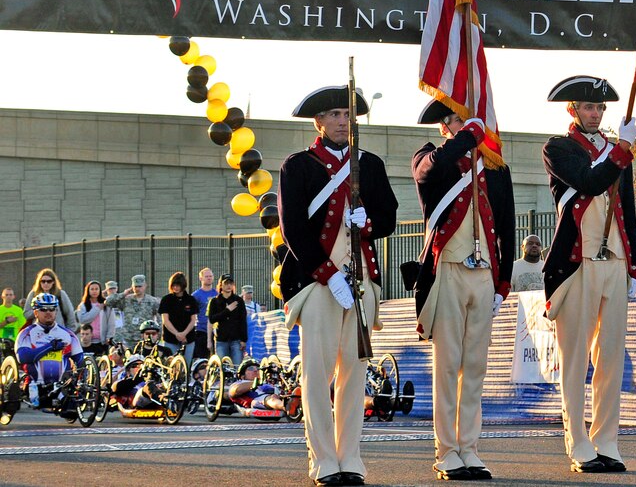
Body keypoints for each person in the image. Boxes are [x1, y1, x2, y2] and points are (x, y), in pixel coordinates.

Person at [277, 84, 398, 487]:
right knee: (318, 375)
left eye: (347, 115)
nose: (342, 122)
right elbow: (293, 227)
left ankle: (351, 457)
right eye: (334, 115)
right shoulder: (299, 166)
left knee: (356, 373)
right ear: (319, 122)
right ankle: (323, 460)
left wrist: (370, 222)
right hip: (317, 282)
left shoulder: (370, 163)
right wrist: (327, 274)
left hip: (361, 281)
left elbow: (389, 217)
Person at [412, 98, 516, 480]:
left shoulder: (494, 166)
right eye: (457, 119)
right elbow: (429, 172)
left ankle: (470, 447)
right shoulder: (429, 156)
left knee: (475, 366)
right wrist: (467, 136)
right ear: (444, 127)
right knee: (448, 363)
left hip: (484, 271)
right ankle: (446, 451)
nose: (468, 125)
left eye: (471, 119)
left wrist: (503, 283)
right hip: (449, 269)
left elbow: (506, 225)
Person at [541, 75, 636, 474]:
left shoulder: (618, 150)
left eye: (599, 108)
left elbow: (628, 209)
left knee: (611, 357)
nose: (595, 114)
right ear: (572, 110)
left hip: (614, 259)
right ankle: (578, 442)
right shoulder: (558, 148)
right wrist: (622, 149)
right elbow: (587, 180)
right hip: (578, 261)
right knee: (576, 355)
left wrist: (634, 265)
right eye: (588, 107)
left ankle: (606, 441)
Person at [15, 293, 84, 410]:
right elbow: (23, 357)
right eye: (43, 309)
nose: (48, 312)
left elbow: (80, 361)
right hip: (34, 385)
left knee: (71, 410)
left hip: (61, 386)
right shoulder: (26, 333)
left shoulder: (68, 334)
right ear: (35, 312)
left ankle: (65, 402)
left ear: (56, 312)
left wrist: (80, 384)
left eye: (52, 309)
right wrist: (49, 347)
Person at [103, 274, 160, 349]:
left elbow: (159, 319)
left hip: (145, 338)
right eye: (135, 286)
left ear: (145, 286)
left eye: (140, 286)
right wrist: (123, 294)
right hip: (128, 338)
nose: (137, 289)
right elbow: (108, 302)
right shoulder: (126, 300)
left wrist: (159, 334)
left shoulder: (152, 301)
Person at [159, 271, 199, 362]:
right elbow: (165, 320)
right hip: (170, 338)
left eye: (178, 285)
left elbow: (193, 320)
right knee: (172, 365)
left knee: (187, 363)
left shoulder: (190, 300)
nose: (175, 288)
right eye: (174, 285)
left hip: (188, 338)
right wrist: (177, 334)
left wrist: (184, 333)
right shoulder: (166, 300)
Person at [206, 274, 247, 365]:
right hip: (221, 339)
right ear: (221, 285)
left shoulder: (238, 300)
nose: (228, 286)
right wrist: (227, 311)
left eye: (230, 283)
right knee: (223, 367)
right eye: (226, 283)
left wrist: (244, 339)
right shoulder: (214, 301)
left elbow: (243, 320)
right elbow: (212, 319)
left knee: (236, 366)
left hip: (236, 339)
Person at [75, 280, 114, 355]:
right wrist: (97, 309)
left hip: (102, 341)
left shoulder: (106, 304)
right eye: (92, 289)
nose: (94, 291)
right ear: (88, 291)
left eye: (96, 289)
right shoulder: (83, 305)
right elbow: (83, 320)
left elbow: (111, 323)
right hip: (88, 342)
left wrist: (109, 337)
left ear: (100, 290)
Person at [191, 268, 217, 361]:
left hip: (215, 331)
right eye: (206, 276)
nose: (209, 278)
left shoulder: (217, 293)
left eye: (210, 276)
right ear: (201, 278)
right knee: (202, 359)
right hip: (201, 330)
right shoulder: (196, 295)